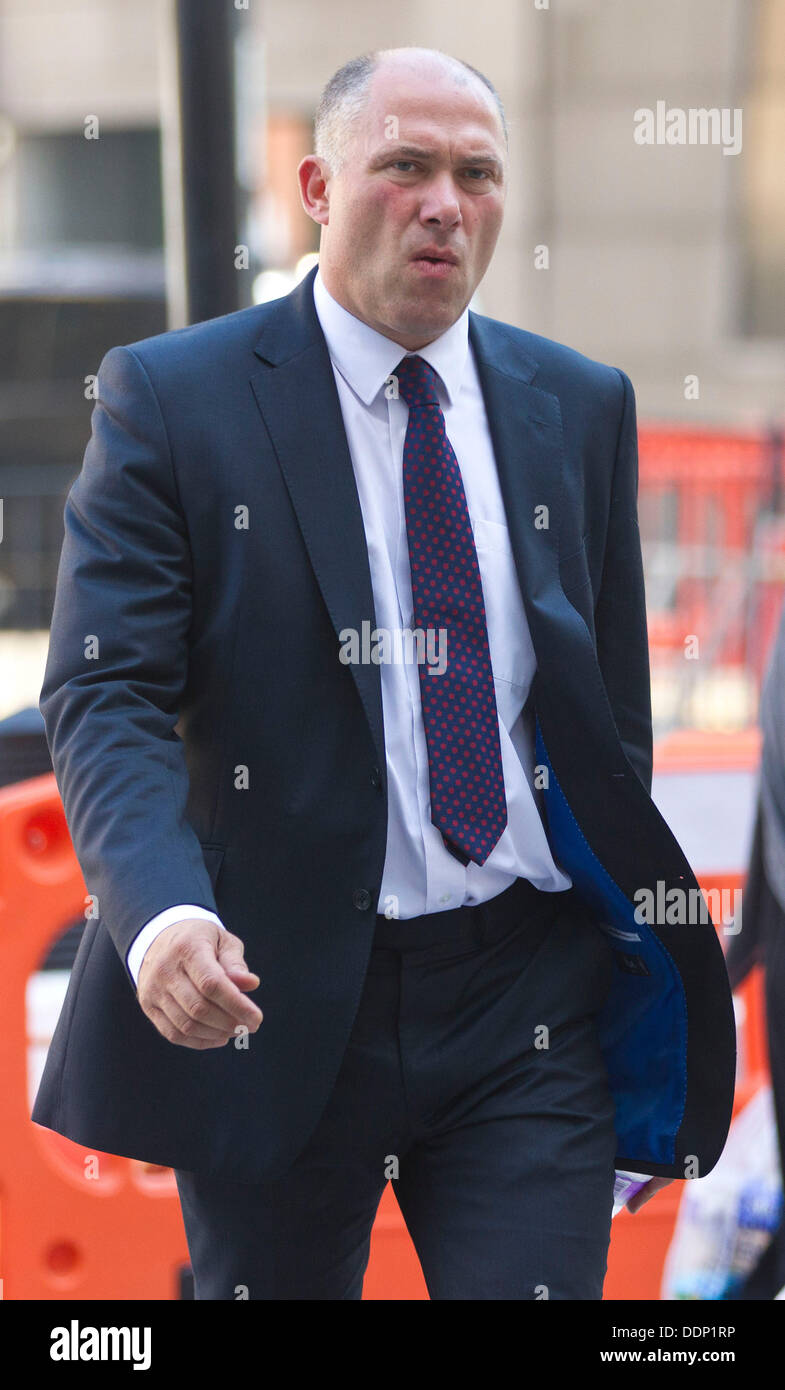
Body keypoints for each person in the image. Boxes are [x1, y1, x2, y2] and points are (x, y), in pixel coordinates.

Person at [33, 46, 735, 1300]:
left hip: (521, 1002)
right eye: (403, 167)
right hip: (277, 991)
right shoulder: (175, 400)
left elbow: (605, 719)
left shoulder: (576, 405)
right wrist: (162, 912)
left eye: (474, 175)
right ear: (315, 183)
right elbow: (106, 688)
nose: (443, 205)